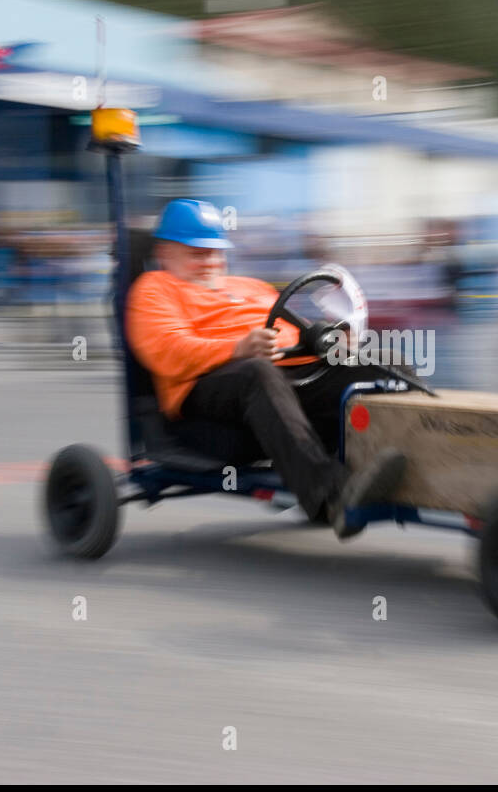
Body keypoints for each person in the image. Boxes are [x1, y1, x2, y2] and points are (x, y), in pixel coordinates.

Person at [125, 199, 406, 539]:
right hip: (208, 392)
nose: (210, 261)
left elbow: (295, 328)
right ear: (165, 253)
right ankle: (330, 495)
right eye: (196, 252)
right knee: (258, 372)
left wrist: (330, 339)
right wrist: (236, 348)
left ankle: (417, 465)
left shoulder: (250, 287)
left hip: (285, 380)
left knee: (387, 363)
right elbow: (167, 351)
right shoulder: (154, 288)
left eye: (216, 251)